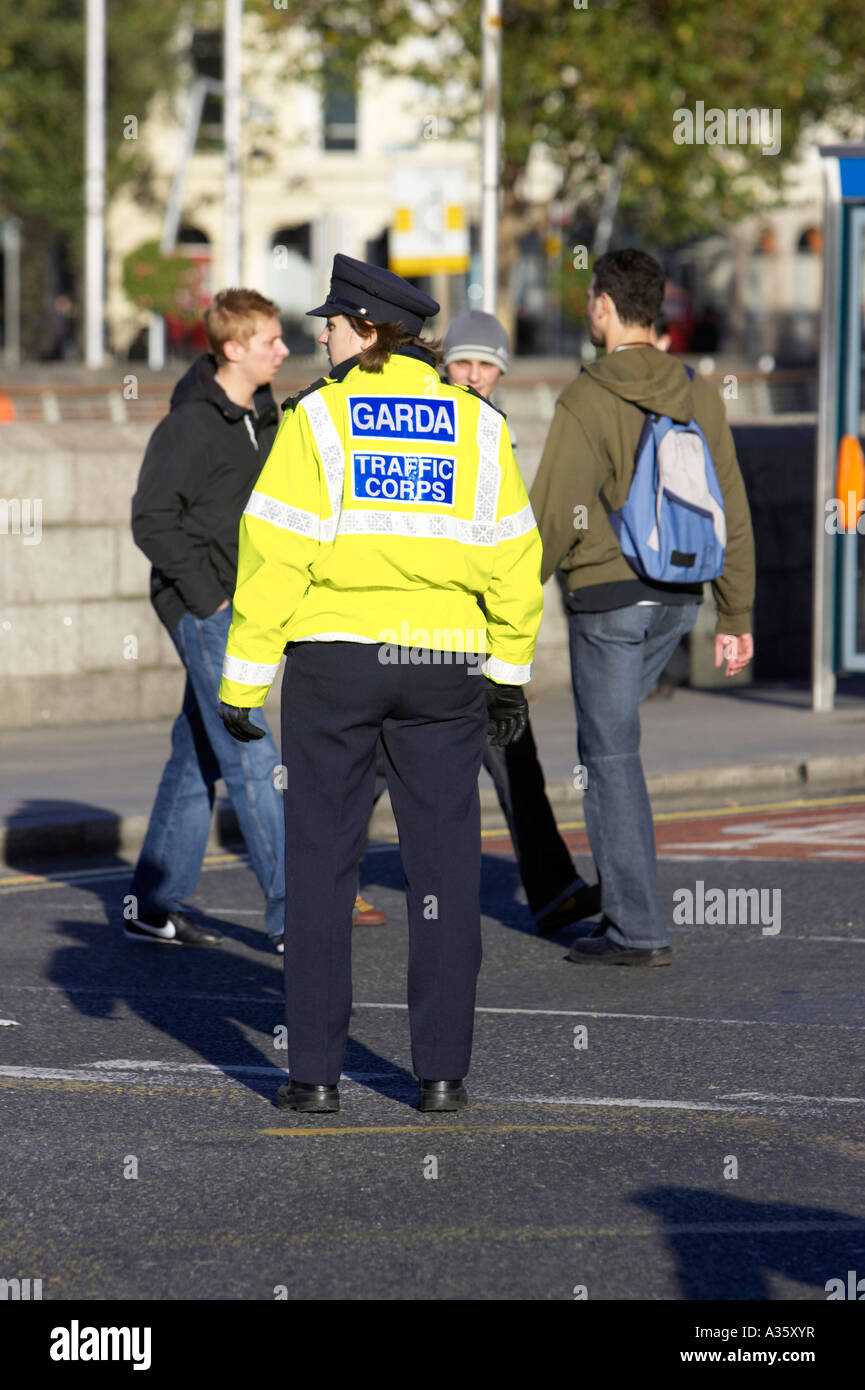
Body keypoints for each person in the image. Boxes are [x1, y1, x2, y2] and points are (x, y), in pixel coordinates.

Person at [218, 254, 543, 1112]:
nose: (316, 334)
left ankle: (315, 1076)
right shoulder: (475, 422)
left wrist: (243, 680)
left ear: (366, 330)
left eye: (329, 323)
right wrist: (507, 674)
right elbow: (515, 557)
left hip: (335, 662)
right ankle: (440, 1075)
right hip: (443, 664)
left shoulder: (317, 420)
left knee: (324, 865)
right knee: (444, 870)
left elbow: (275, 557)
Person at [530, 248, 755, 966]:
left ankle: (636, 928)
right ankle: (625, 907)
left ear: (602, 305)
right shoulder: (695, 390)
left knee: (609, 756)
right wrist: (736, 615)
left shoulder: (586, 396)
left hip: (607, 597)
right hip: (677, 597)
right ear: (653, 308)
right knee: (616, 749)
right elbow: (732, 504)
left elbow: (551, 515)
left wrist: (502, 602)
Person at [127, 289, 289, 950]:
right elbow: (151, 519)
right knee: (250, 751)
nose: (282, 350)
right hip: (207, 608)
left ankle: (150, 903)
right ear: (231, 349)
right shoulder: (190, 425)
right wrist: (207, 598)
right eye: (269, 341)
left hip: (250, 606)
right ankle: (292, 909)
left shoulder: (268, 418)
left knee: (199, 752)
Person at [443, 309, 599, 932]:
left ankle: (553, 888)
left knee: (515, 750)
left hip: (478, 628)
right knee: (376, 759)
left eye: (488, 366)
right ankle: (310, 887)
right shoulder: (432, 425)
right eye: (464, 362)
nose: (476, 376)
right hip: (430, 625)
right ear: (442, 362)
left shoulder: (494, 427)